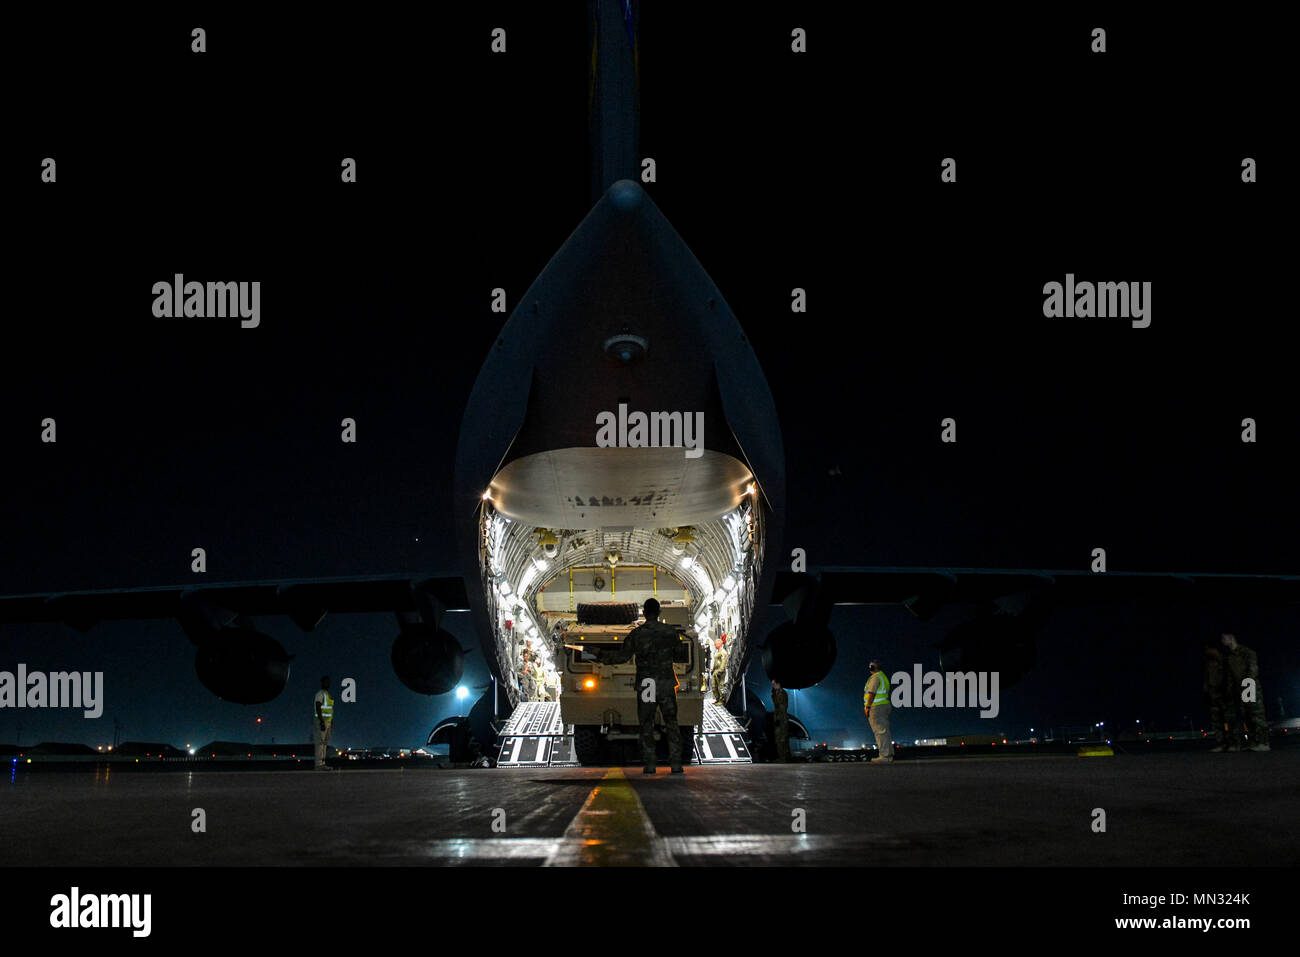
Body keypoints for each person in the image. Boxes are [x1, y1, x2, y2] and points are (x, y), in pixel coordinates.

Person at [594, 598, 685, 774]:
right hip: (666, 683)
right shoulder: (670, 632)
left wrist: (601, 656)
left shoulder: (637, 634)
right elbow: (680, 655)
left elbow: (622, 657)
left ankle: (650, 764)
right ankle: (675, 764)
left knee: (646, 724)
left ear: (644, 613)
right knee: (672, 723)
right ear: (659, 613)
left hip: (647, 683)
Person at [1221, 632, 1270, 751]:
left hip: (1250, 686)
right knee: (1246, 716)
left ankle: (1263, 743)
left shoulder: (1247, 652)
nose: (1222, 641)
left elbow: (1253, 669)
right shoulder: (1229, 657)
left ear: (1231, 638)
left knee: (1256, 715)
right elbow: (1230, 676)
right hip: (1239, 690)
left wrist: (1247, 685)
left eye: (1223, 638)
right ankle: (1254, 742)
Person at [863, 660, 893, 764]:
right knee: (884, 731)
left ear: (872, 667)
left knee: (879, 731)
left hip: (876, 707)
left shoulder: (875, 678)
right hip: (884, 705)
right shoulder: (883, 677)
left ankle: (884, 756)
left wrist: (868, 706)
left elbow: (871, 692)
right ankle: (888, 755)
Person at [1203, 639, 1231, 752]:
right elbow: (1207, 678)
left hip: (1225, 692)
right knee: (1216, 720)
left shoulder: (1225, 660)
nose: (1207, 652)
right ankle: (1221, 743)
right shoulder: (1209, 662)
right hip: (1213, 693)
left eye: (1208, 649)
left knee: (1230, 718)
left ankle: (1234, 743)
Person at [313, 676, 335, 770]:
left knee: (324, 743)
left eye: (329, 682)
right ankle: (319, 764)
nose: (328, 684)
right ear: (322, 683)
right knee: (320, 743)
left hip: (328, 722)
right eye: (326, 682)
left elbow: (330, 710)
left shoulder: (327, 695)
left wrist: (331, 721)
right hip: (321, 721)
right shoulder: (320, 694)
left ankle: (322, 763)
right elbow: (318, 706)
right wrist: (321, 721)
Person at [771, 679, 791, 762]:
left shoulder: (782, 693)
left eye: (774, 684)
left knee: (783, 739)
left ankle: (785, 758)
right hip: (778, 718)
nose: (773, 686)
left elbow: (782, 707)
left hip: (782, 718)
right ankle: (782, 757)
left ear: (778, 684)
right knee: (778, 739)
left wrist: (780, 718)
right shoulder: (775, 693)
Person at [710, 637, 729, 705]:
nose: (715, 645)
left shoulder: (723, 652)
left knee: (720, 686)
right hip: (715, 670)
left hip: (720, 671)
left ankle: (721, 700)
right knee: (714, 686)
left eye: (716, 644)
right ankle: (717, 699)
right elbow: (716, 662)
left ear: (720, 644)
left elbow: (723, 662)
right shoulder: (717, 652)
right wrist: (713, 669)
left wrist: (720, 671)